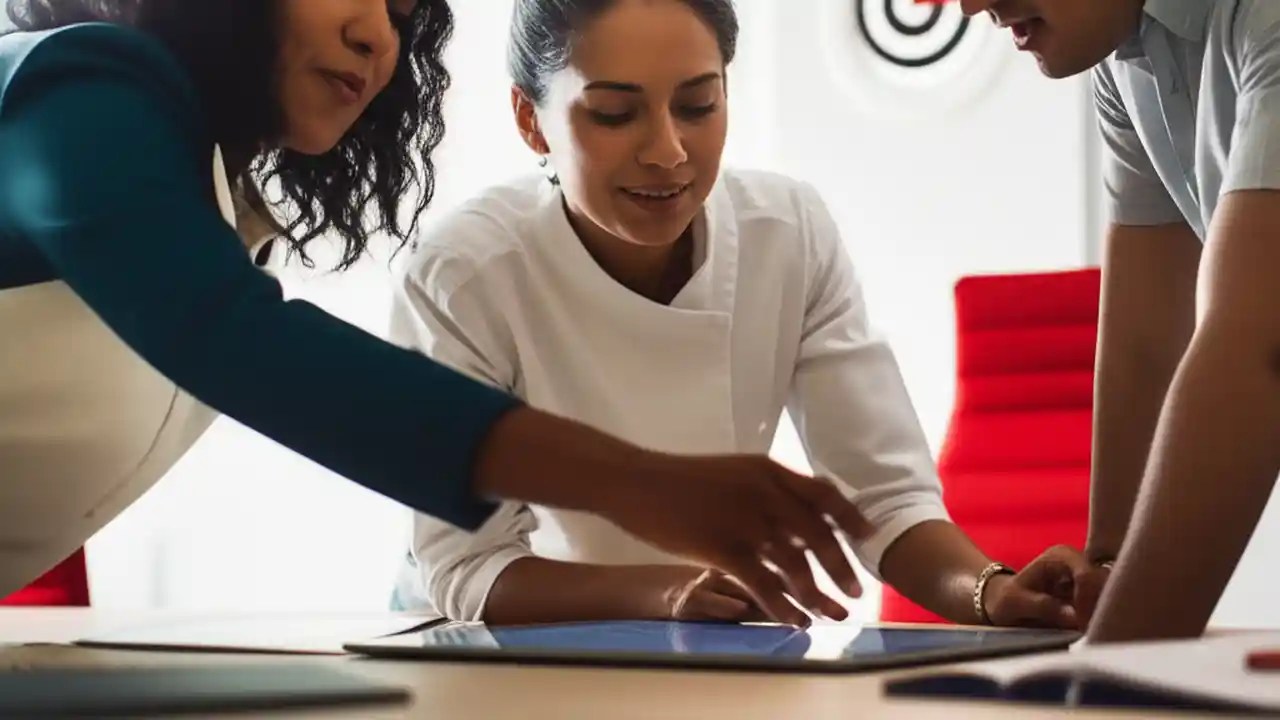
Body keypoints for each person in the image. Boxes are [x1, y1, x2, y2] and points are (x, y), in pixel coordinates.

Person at [0, 0, 870, 625]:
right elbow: (239, 339)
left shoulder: (208, 191)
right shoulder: (76, 89)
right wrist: (642, 485)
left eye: (402, 11)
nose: (377, 36)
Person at [391, 0, 1087, 629]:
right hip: (500, 653)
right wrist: (664, 593)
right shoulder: (468, 271)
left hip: (708, 639)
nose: (667, 152)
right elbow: (467, 568)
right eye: (614, 114)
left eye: (698, 105)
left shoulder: (785, 231)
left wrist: (989, 591)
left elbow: (884, 498)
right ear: (529, 119)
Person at [960, 0, 1280, 643]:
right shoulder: (1122, 64)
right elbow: (1146, 347)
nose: (970, 6)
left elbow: (1259, 349)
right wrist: (1103, 570)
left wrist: (1109, 665)